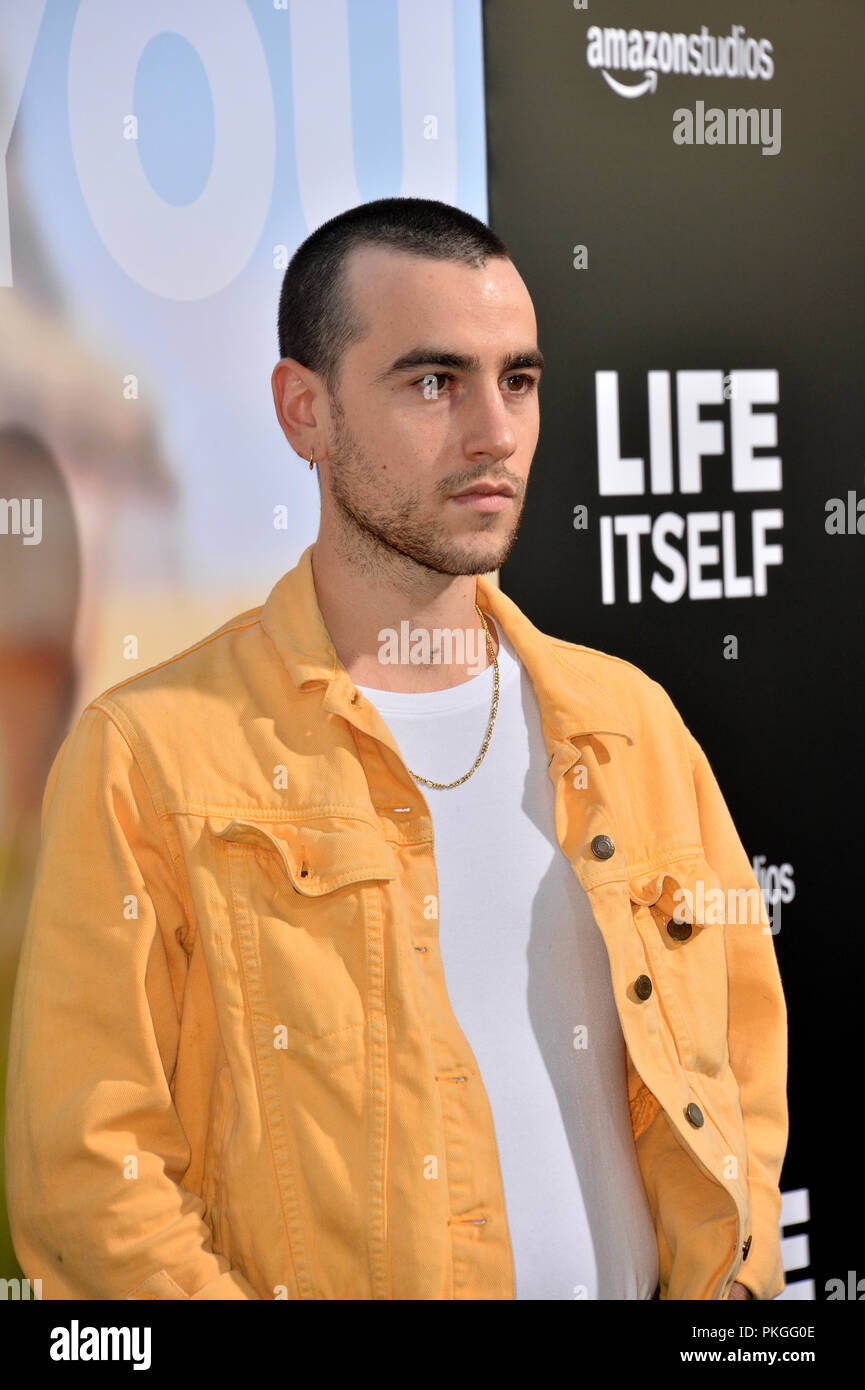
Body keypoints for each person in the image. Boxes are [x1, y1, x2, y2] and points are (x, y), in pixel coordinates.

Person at [5, 197, 787, 1301]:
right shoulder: (150, 758)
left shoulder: (630, 724)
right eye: (433, 382)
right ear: (303, 413)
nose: (493, 433)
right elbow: (93, 1182)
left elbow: (739, 1064)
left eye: (517, 379)